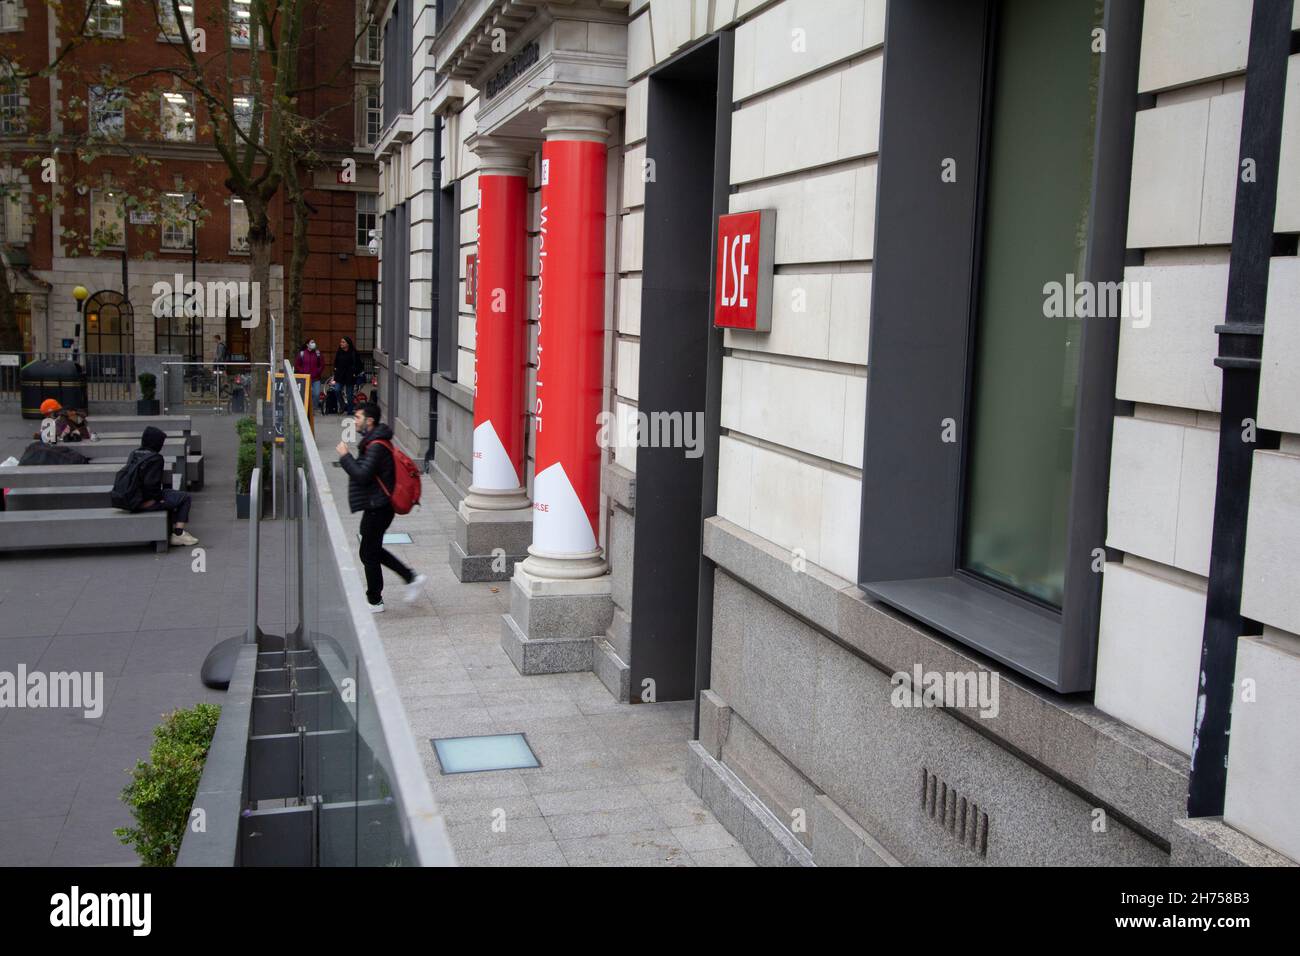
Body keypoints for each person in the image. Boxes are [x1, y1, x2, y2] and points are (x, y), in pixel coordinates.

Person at [336, 402, 424, 612]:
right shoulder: (373, 442)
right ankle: (409, 579)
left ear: (369, 421)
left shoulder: (376, 445)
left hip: (380, 507)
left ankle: (376, 599)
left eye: (358, 417)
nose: (354, 421)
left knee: (368, 552)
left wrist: (345, 456)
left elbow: (362, 475)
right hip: (377, 505)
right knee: (370, 550)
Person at [127, 426, 197, 547]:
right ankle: (178, 534)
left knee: (170, 495)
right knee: (185, 497)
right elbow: (151, 484)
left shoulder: (133, 454)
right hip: (145, 501)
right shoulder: (156, 458)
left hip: (130, 499)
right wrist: (158, 499)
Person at [332, 336, 361, 414]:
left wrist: (355, 373)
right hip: (340, 375)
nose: (341, 343)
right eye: (341, 342)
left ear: (348, 343)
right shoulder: (339, 351)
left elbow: (359, 364)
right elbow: (336, 363)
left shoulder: (353, 352)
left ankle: (350, 410)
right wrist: (335, 373)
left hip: (350, 376)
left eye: (343, 342)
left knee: (349, 394)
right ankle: (342, 405)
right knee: (337, 390)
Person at [295, 339, 325, 409]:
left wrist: (318, 371)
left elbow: (322, 364)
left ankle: (314, 408)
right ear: (307, 345)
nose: (313, 344)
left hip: (316, 378)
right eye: (311, 342)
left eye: (314, 342)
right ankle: (307, 409)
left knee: (316, 394)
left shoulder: (318, 353)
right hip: (305, 378)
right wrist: (302, 372)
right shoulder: (302, 354)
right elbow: (297, 365)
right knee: (307, 394)